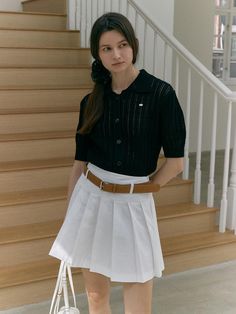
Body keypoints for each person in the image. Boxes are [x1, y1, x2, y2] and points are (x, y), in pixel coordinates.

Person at [49, 12, 186, 314]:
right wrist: (71, 212)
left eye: (122, 45)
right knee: (96, 298)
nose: (117, 54)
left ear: (133, 45)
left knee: (138, 305)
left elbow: (175, 162)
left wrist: (143, 190)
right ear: (97, 55)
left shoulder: (161, 94)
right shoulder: (91, 101)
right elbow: (78, 165)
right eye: (107, 49)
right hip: (90, 200)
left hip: (134, 204)